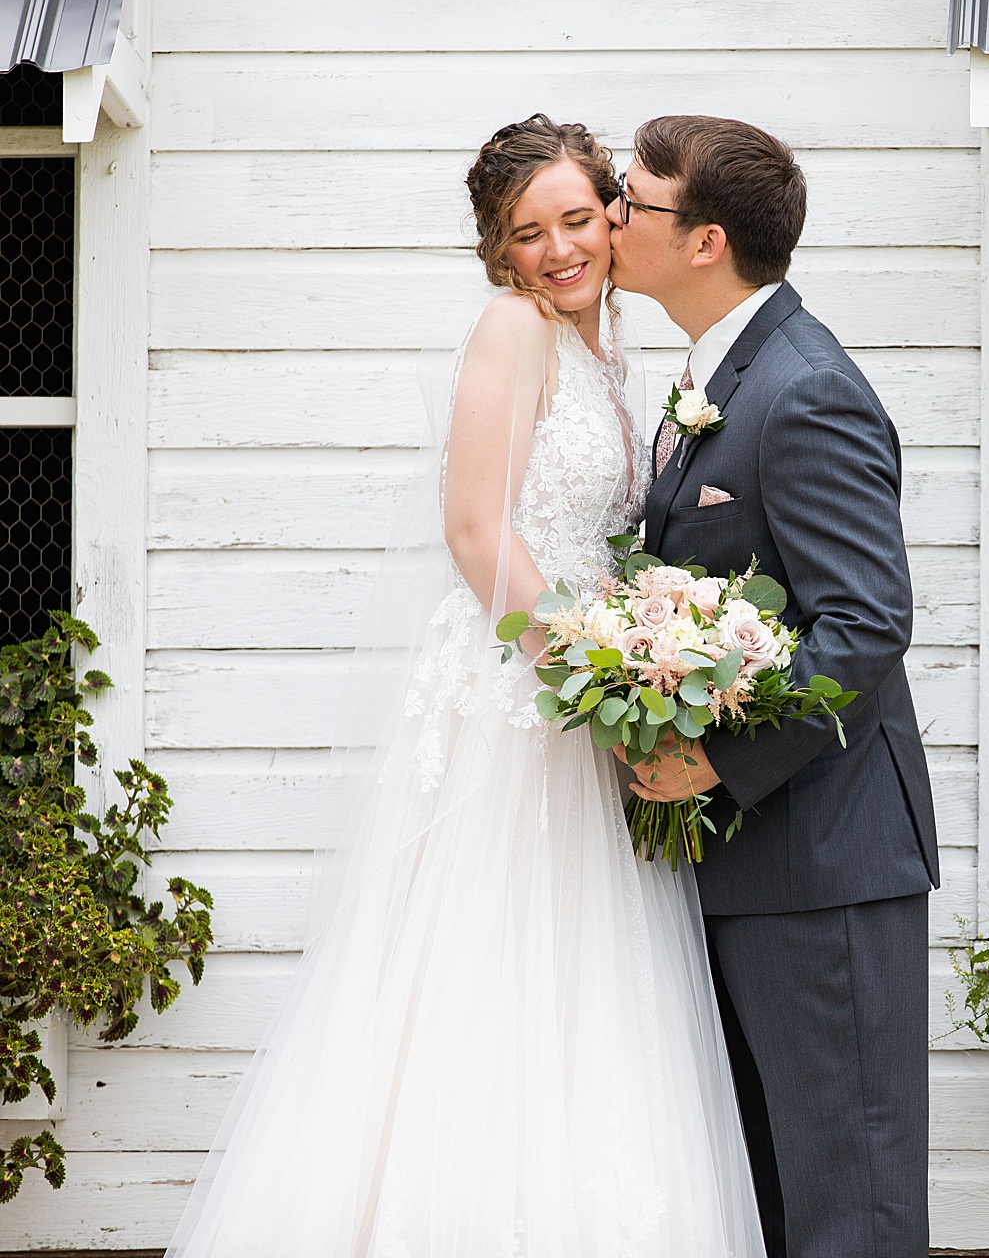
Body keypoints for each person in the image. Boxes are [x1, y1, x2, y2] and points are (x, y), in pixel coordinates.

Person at [163, 115, 765, 1258]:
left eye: (578, 219)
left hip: (579, 697)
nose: (558, 250)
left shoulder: (609, 352)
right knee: (489, 968)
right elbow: (477, 527)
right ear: (500, 249)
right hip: (518, 706)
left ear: (615, 213)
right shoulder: (512, 331)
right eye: (527, 233)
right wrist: (598, 683)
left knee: (589, 991)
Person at [608, 114, 939, 1258]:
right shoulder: (711, 379)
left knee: (849, 1199)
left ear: (703, 242)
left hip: (825, 867)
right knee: (763, 1198)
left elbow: (865, 623)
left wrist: (713, 757)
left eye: (629, 200)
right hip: (741, 863)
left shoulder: (804, 390)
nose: (608, 218)